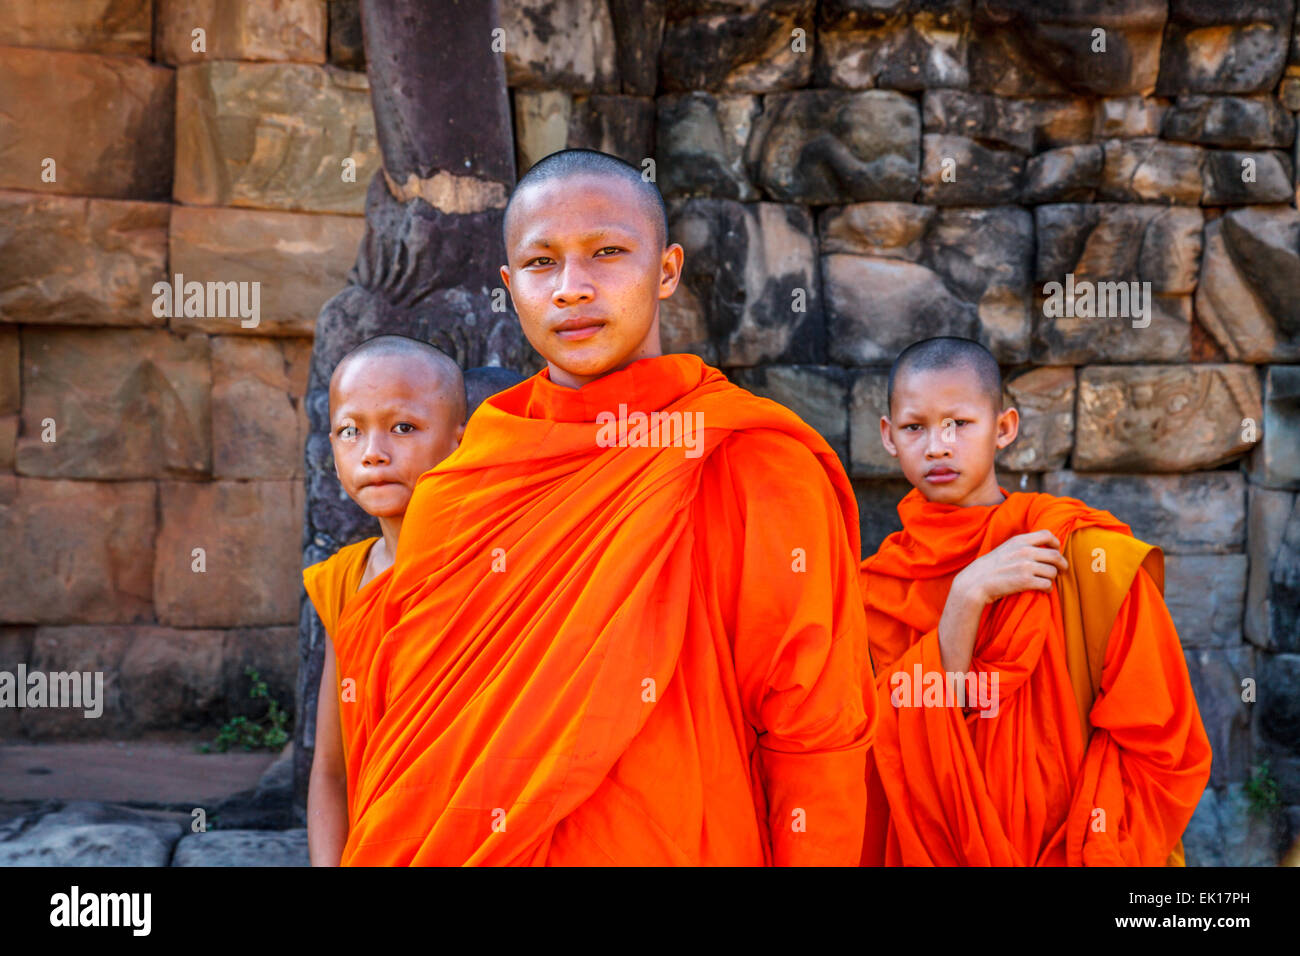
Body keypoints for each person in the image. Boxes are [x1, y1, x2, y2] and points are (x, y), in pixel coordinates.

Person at [331, 147, 876, 866]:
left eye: (608, 252)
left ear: (668, 270)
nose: (570, 288)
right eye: (540, 263)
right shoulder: (465, 486)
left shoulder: (752, 462)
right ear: (508, 285)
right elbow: (412, 751)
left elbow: (815, 732)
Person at [859, 336, 1211, 866]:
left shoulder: (1088, 558)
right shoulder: (878, 589)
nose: (937, 445)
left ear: (1004, 428)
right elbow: (892, 752)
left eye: (959, 423)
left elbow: (1164, 743)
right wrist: (964, 599)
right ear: (888, 436)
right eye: (915, 427)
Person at [304, 334, 465, 867]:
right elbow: (331, 769)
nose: (373, 451)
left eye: (403, 427)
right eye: (350, 431)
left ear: (459, 441)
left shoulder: (495, 570)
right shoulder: (347, 581)